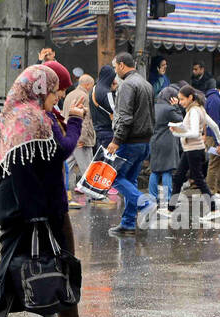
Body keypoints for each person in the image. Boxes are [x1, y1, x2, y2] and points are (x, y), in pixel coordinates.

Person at [0, 64, 87, 317]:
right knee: (12, 263)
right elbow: (41, 160)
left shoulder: (28, 113)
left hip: (26, 201)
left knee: (43, 260)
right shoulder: (29, 117)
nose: (58, 97)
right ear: (40, 89)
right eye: (54, 91)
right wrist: (34, 211)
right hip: (19, 204)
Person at [104, 52, 153, 236]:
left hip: (130, 142)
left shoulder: (127, 85)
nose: (115, 70)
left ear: (122, 65)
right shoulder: (146, 84)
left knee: (113, 177)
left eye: (115, 66)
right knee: (130, 180)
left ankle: (144, 203)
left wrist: (116, 140)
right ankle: (128, 223)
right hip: (144, 142)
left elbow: (124, 117)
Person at [166, 85, 220, 222]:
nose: (180, 102)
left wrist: (177, 132)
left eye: (182, 99)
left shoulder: (193, 111)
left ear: (190, 98)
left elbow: (194, 132)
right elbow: (214, 126)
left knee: (198, 179)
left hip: (193, 150)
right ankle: (171, 208)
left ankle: (213, 209)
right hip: (192, 150)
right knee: (178, 177)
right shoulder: (199, 109)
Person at [148, 84, 184, 206]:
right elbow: (180, 120)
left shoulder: (153, 107)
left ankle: (152, 198)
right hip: (167, 141)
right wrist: (177, 107)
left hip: (154, 140)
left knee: (154, 171)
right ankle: (168, 199)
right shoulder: (169, 109)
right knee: (167, 170)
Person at [62, 73, 94, 199]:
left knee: (67, 165)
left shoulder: (69, 95)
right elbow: (85, 120)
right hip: (79, 137)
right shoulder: (84, 96)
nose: (92, 88)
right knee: (87, 167)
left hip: (69, 134)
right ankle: (93, 195)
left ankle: (65, 192)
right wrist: (82, 138)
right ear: (87, 85)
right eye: (91, 86)